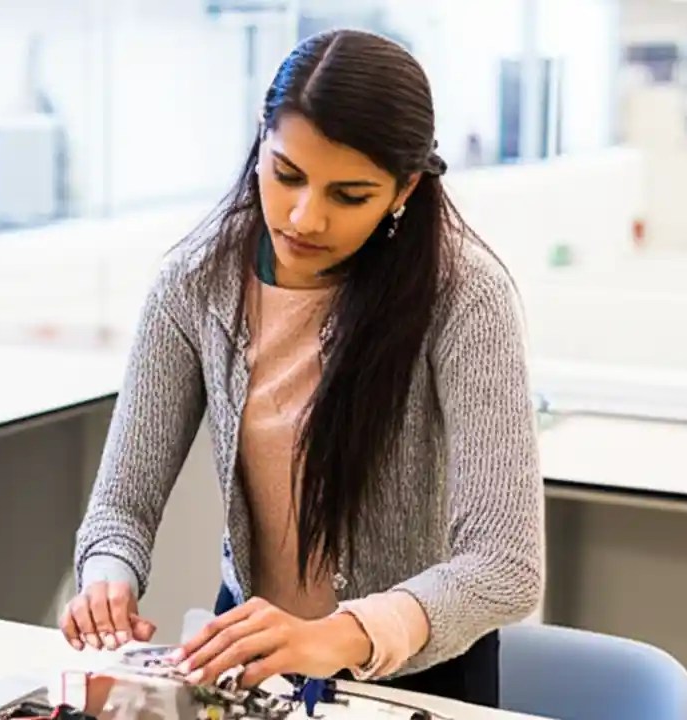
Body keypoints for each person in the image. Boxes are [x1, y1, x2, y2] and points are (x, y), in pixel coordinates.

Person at [62, 29, 543, 708]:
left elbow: (505, 567)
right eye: (286, 173)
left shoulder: (465, 296)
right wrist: (107, 577)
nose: (303, 216)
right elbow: (120, 506)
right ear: (260, 141)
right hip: (251, 665)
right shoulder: (194, 284)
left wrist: (337, 636)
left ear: (404, 187)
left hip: (418, 681)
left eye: (349, 196)